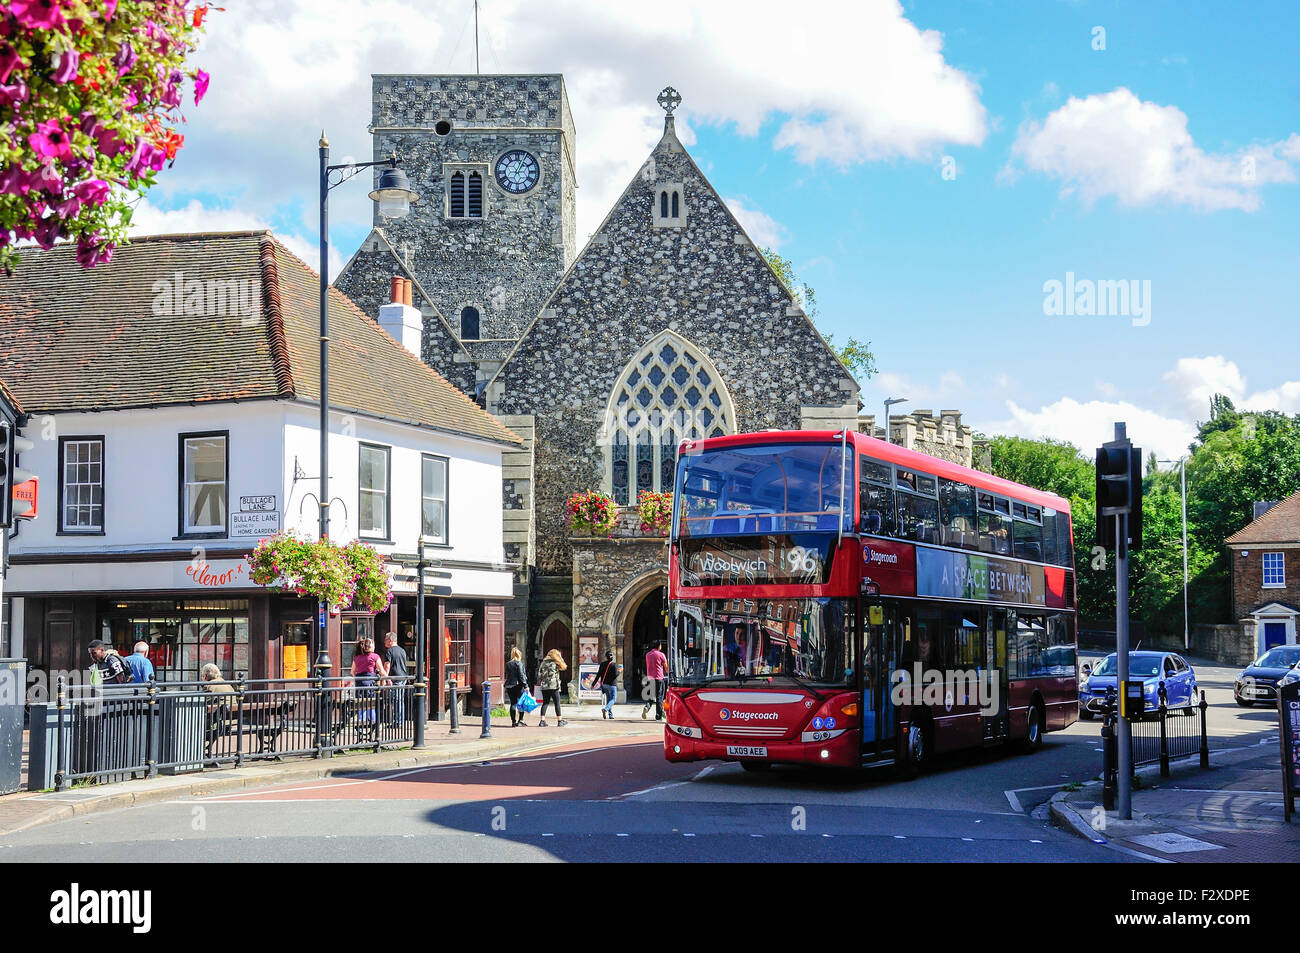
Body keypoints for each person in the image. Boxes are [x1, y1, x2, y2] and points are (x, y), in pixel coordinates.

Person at [381, 632, 409, 727]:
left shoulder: (389, 651)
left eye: (386, 639)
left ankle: (398, 722)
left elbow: (387, 667)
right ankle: (399, 721)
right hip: (403, 677)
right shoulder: (402, 650)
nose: (384, 641)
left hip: (395, 678)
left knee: (397, 700)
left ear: (390, 640)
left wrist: (384, 679)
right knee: (399, 700)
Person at [536, 648, 568, 727]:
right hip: (554, 686)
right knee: (557, 703)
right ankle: (560, 721)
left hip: (544, 685)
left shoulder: (543, 662)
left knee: (545, 703)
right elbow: (564, 667)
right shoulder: (556, 662)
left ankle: (542, 721)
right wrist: (560, 658)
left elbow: (539, 674)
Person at [504, 646, 530, 727]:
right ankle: (520, 720)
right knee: (521, 703)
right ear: (519, 655)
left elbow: (507, 675)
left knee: (513, 703)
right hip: (518, 686)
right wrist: (525, 685)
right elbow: (521, 676)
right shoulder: (519, 663)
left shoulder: (508, 664)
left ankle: (513, 722)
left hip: (509, 686)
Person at [642, 641, 668, 721]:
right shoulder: (661, 654)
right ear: (659, 646)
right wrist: (668, 673)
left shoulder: (648, 655)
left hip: (650, 678)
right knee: (659, 697)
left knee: (652, 696)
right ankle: (658, 716)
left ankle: (647, 706)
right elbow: (666, 666)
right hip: (659, 678)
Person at [596, 650, 619, 719]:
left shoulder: (602, 664)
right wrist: (620, 671)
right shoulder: (614, 664)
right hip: (612, 685)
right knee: (613, 699)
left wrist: (593, 684)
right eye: (611, 655)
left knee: (609, 700)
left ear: (606, 657)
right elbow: (615, 675)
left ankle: (610, 715)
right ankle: (605, 709)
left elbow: (598, 675)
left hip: (605, 685)